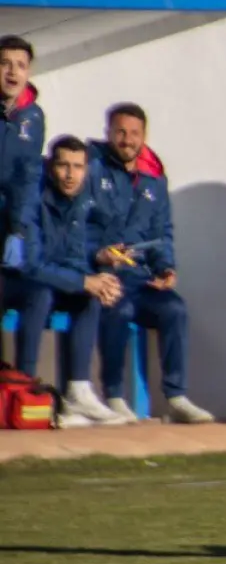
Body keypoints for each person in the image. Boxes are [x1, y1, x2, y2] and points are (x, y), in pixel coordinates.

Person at [88, 105, 215, 424]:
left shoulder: (154, 182)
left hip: (140, 278)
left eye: (134, 133)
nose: (126, 140)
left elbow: (162, 234)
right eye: (120, 131)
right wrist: (98, 255)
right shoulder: (91, 170)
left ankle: (176, 397)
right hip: (102, 275)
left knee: (174, 309)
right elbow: (79, 227)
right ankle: (114, 396)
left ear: (144, 137)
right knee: (120, 309)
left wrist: (166, 268)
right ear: (108, 133)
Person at [8, 137, 126, 426]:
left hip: (50, 277)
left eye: (78, 167)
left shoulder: (81, 200)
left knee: (90, 296)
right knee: (42, 294)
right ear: (51, 167)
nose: (71, 175)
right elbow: (31, 265)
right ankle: (26, 386)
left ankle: (77, 391)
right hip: (16, 281)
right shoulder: (33, 198)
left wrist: (98, 273)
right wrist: (84, 280)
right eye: (63, 165)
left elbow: (72, 257)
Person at [1, 37, 45, 217]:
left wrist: (20, 226)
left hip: (10, 216)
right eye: (5, 63)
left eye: (21, 65)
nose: (13, 72)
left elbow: (30, 174)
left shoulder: (34, 116)